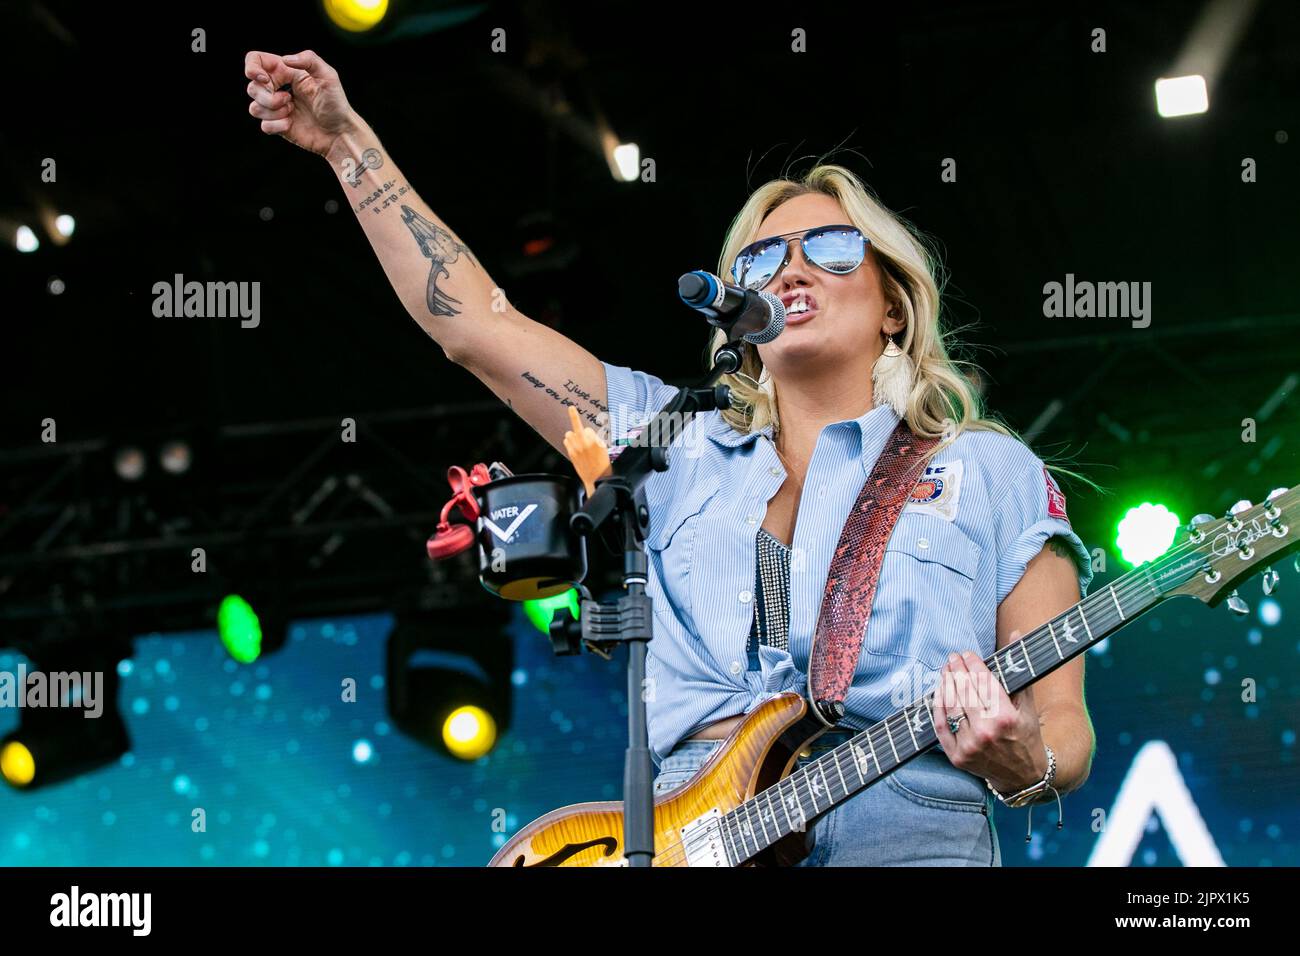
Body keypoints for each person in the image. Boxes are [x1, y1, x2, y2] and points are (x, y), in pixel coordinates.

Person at [243, 48, 1096, 866]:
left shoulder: (987, 470)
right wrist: (346, 143)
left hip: (909, 829)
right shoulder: (671, 441)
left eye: (832, 249)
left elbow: (1063, 728)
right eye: (763, 259)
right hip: (689, 827)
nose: (793, 270)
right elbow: (474, 326)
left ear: (895, 308)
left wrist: (1021, 761)